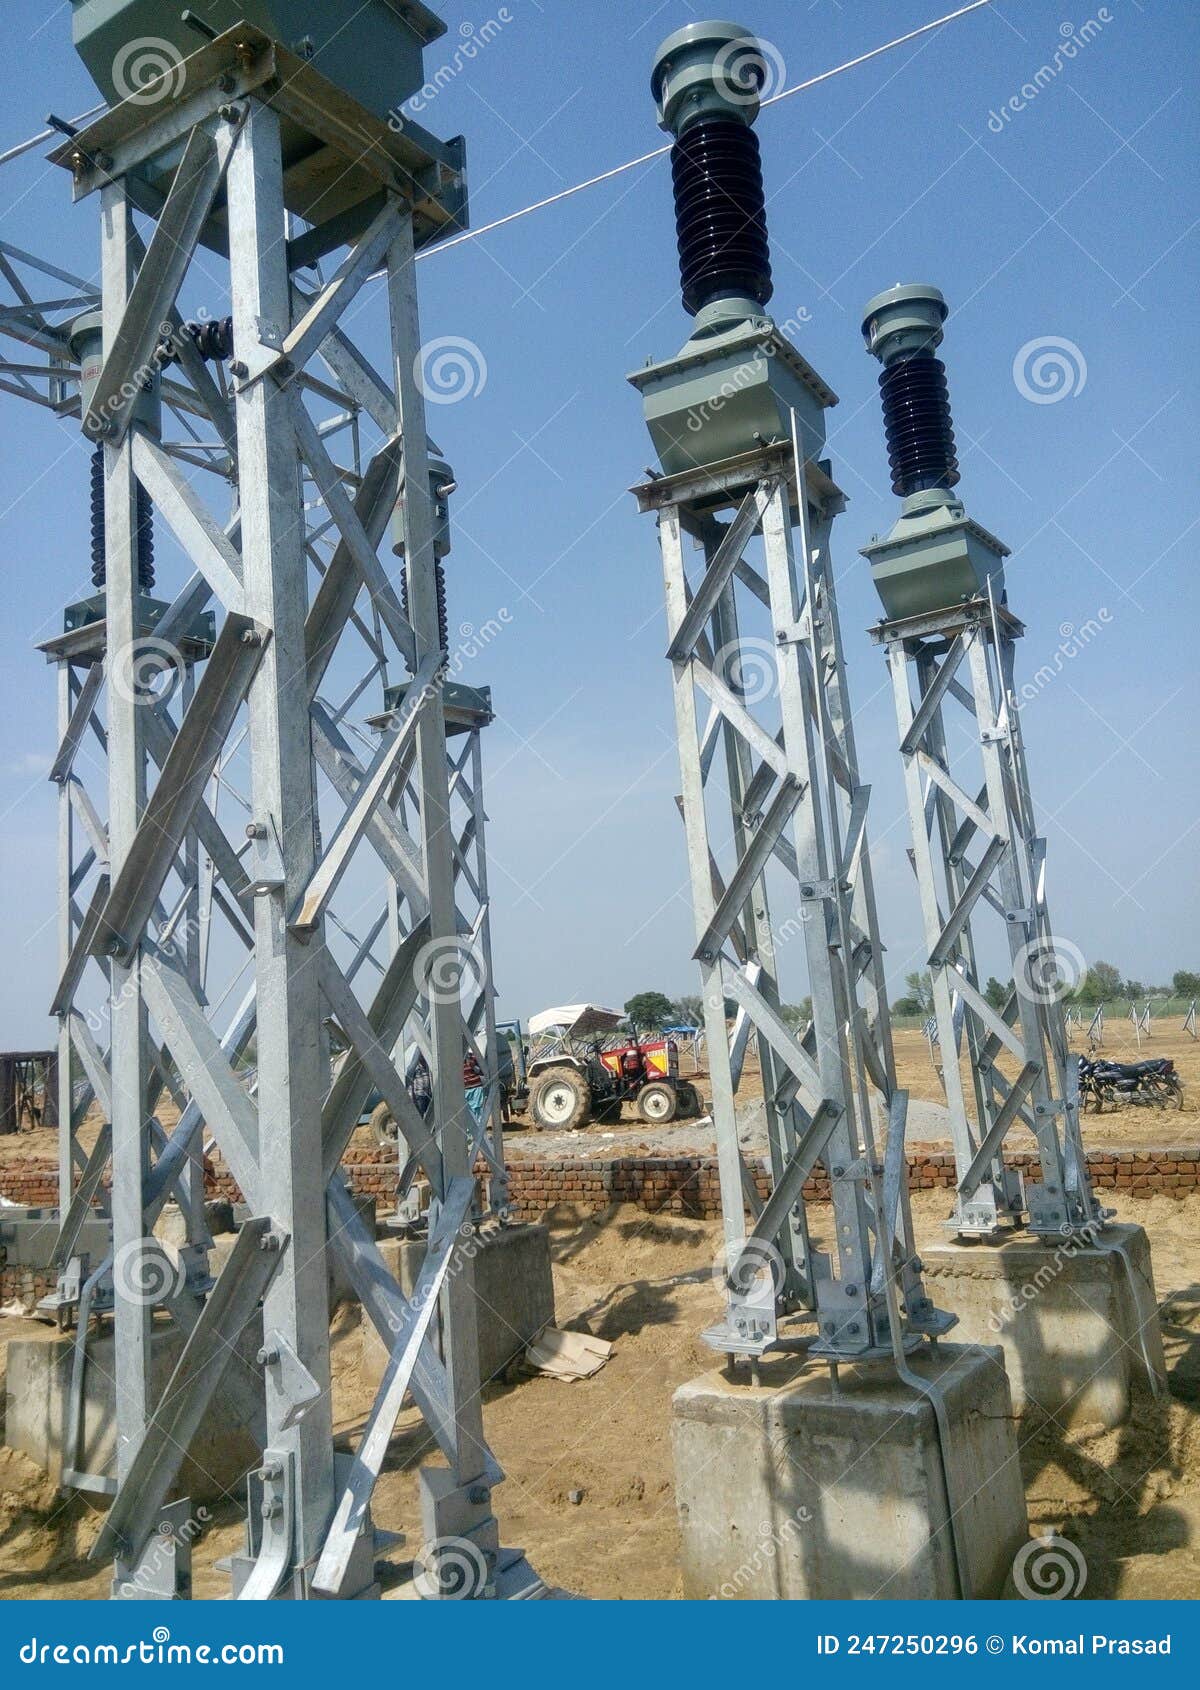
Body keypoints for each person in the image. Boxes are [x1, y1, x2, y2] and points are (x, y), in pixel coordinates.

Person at [463, 1048, 486, 1124]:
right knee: (467, 1112)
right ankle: (469, 1133)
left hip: (476, 1088)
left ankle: (479, 1131)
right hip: (464, 1090)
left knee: (477, 1110)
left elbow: (483, 1072)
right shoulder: (455, 1060)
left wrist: (473, 1066)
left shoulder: (474, 1057)